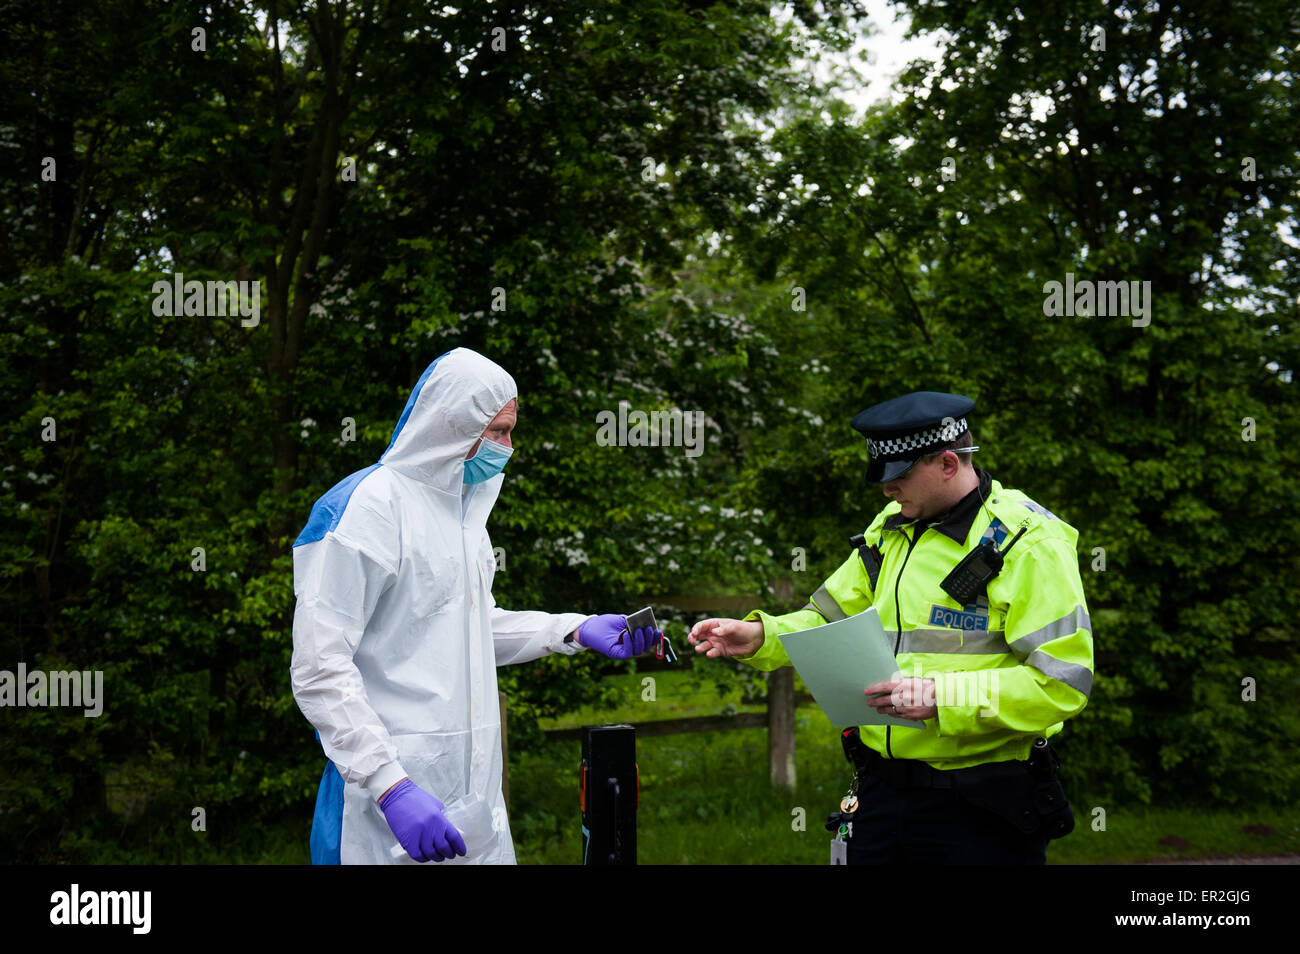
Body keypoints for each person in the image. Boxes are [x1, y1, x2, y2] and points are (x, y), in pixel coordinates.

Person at [688, 391, 1092, 865]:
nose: (886, 491)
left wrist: (941, 698)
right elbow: (827, 618)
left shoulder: (1028, 543)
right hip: (882, 793)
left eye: (899, 476)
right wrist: (761, 636)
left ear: (946, 463)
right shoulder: (891, 528)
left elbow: (1061, 683)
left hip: (983, 805)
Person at [291, 347, 660, 865]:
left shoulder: (463, 517)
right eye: (499, 431)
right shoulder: (367, 509)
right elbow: (319, 667)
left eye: (511, 431)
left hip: (474, 811)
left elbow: (468, 632)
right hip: (381, 814)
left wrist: (572, 631)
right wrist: (390, 785)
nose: (508, 447)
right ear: (452, 422)